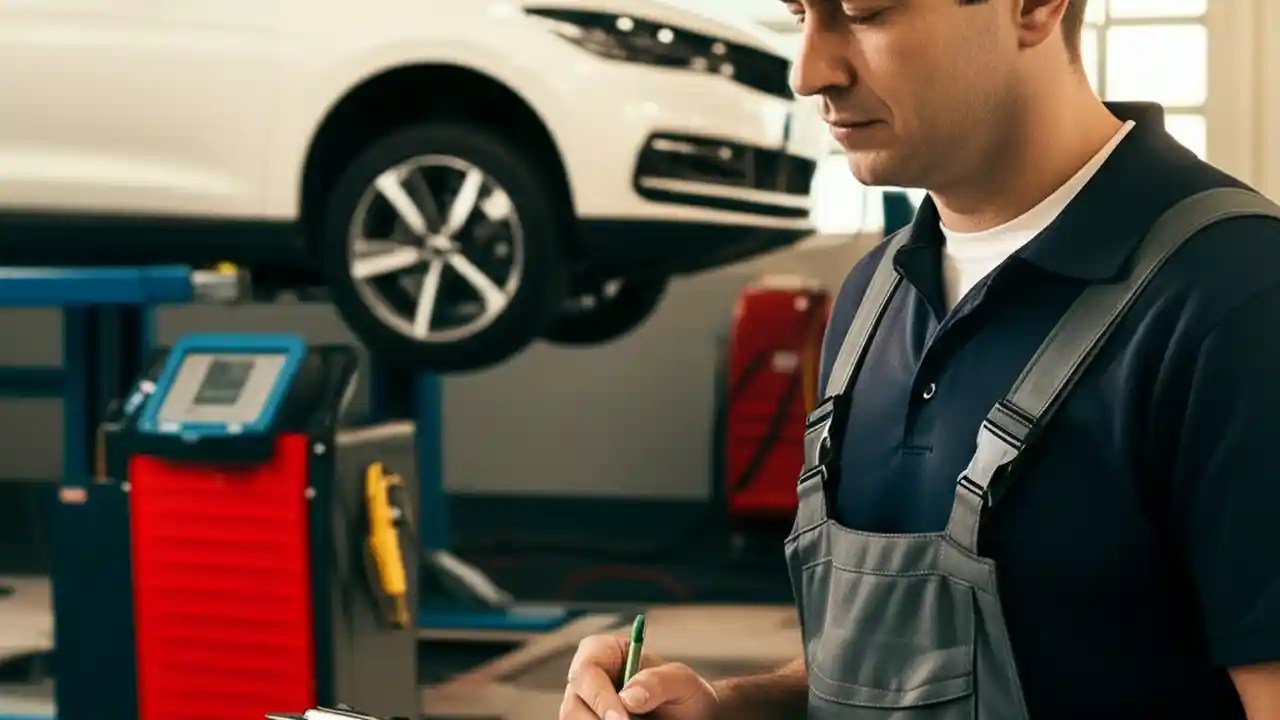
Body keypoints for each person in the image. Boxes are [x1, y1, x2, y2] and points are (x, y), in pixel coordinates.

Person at [561, 0, 1280, 718]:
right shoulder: (873, 295)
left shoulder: (1239, 298)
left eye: (863, 13)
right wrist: (727, 708)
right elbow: (887, 664)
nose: (810, 72)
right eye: (799, 12)